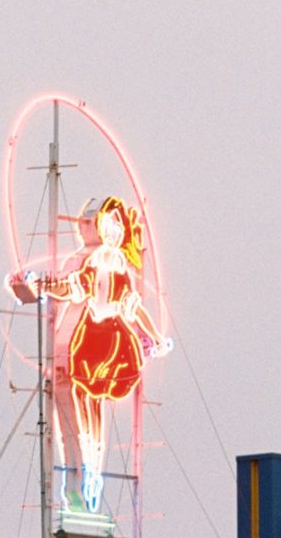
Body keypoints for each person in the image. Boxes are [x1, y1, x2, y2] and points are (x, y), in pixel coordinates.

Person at [9, 196, 171, 513]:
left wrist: (155, 338)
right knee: (87, 410)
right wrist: (38, 284)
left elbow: (132, 309)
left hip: (111, 343)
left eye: (116, 225)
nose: (110, 231)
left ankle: (87, 480)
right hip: (87, 342)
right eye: (105, 224)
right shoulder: (88, 264)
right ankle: (86, 479)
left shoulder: (120, 267)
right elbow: (70, 287)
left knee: (91, 410)